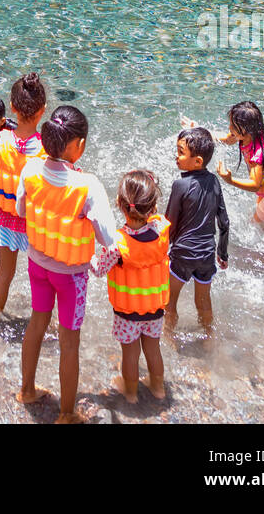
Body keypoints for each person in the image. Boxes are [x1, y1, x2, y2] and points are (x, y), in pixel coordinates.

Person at [16, 106, 116, 424]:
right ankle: (67, 413)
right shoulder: (88, 186)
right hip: (70, 276)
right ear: (78, 146)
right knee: (69, 341)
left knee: (36, 324)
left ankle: (27, 390)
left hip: (37, 264)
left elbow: (20, 208)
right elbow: (107, 237)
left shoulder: (30, 170)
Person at [91, 170, 169, 403]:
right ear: (153, 206)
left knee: (130, 353)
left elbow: (98, 270)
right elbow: (159, 224)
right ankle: (158, 388)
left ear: (119, 204)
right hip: (155, 309)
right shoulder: (161, 231)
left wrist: (87, 255)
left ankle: (131, 393)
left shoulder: (117, 244)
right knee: (153, 349)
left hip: (127, 314)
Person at [0, 71, 47, 329]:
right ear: (43, 111)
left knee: (4, 274)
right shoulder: (45, 149)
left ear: (11, 107)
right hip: (33, 224)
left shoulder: (0, 139)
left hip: (6, 219)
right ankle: (41, 326)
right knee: (40, 279)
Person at [164, 126, 229, 333]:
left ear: (198, 161)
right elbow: (224, 221)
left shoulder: (180, 185)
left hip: (183, 253)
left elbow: (170, 223)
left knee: (169, 299)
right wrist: (222, 253)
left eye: (181, 153)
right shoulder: (214, 182)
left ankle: (169, 337)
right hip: (206, 254)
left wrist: (162, 251)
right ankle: (209, 337)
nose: (176, 156)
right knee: (203, 301)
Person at [212, 100, 264, 225]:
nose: (230, 128)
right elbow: (227, 139)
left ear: (246, 129)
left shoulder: (257, 154)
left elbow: (255, 184)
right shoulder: (250, 134)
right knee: (262, 223)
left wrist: (230, 180)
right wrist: (199, 131)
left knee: (257, 226)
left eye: (233, 126)